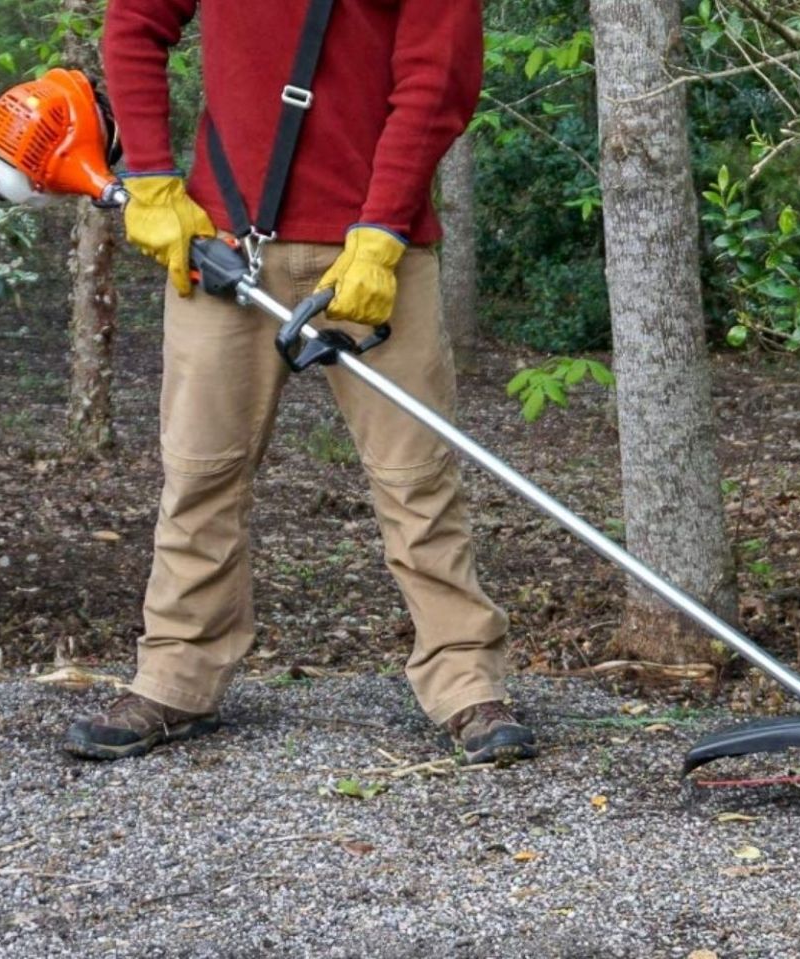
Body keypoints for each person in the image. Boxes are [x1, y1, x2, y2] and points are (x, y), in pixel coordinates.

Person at [64, 0, 535, 765]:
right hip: (221, 242)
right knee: (199, 471)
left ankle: (465, 680)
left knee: (415, 476)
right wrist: (151, 176)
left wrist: (383, 230)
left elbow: (437, 76)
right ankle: (176, 673)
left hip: (379, 251)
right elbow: (135, 22)